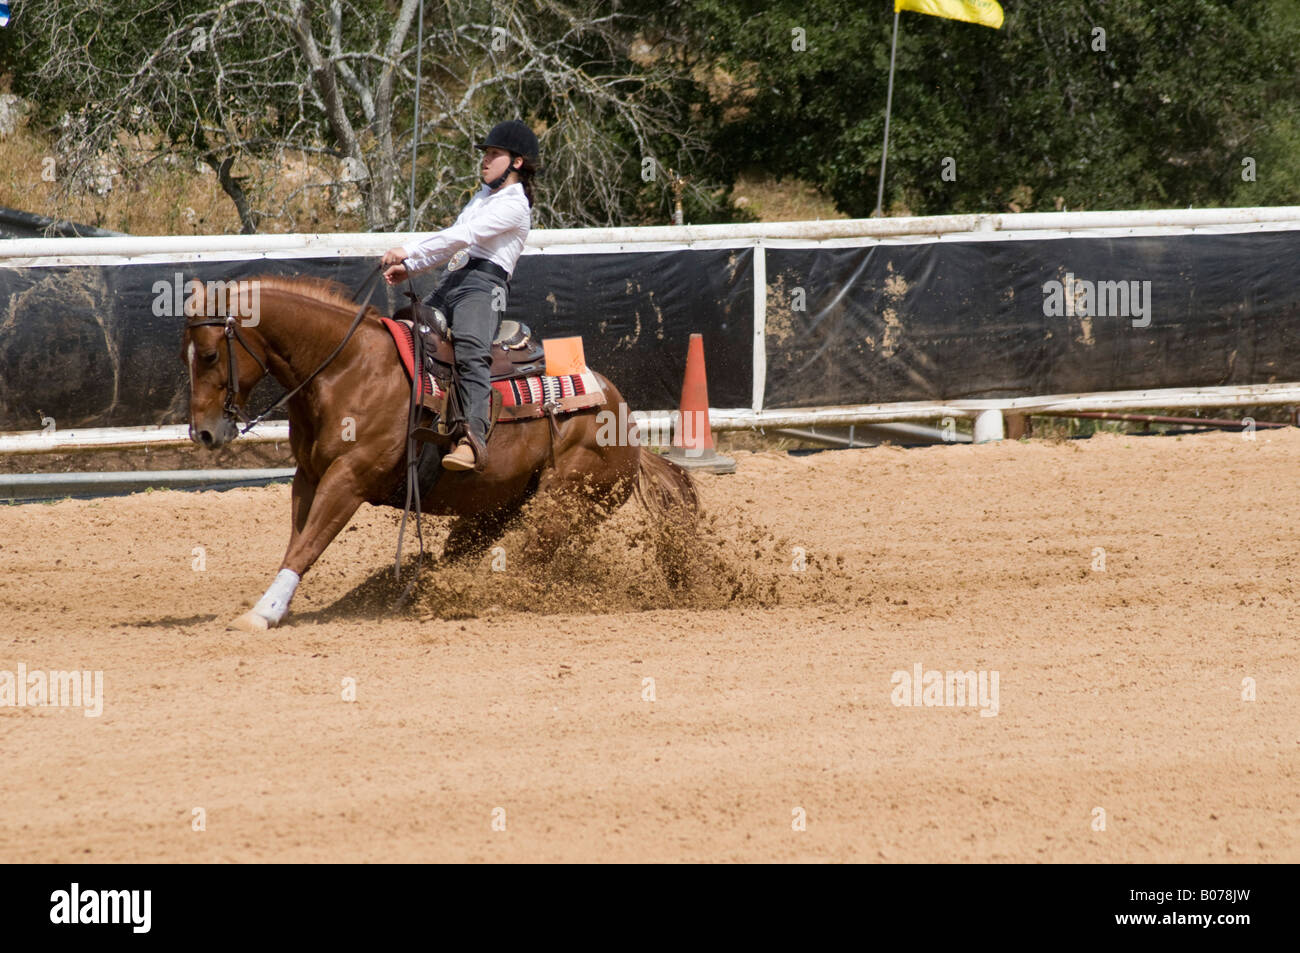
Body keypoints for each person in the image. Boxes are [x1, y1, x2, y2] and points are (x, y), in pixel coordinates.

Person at [382, 119, 539, 470]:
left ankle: (472, 438)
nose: (484, 160)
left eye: (494, 154)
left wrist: (407, 249)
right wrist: (412, 267)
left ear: (516, 162)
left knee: (471, 350)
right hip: (452, 280)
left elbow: (463, 236)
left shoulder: (515, 205)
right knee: (408, 333)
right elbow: (451, 241)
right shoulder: (482, 197)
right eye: (485, 154)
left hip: (484, 287)